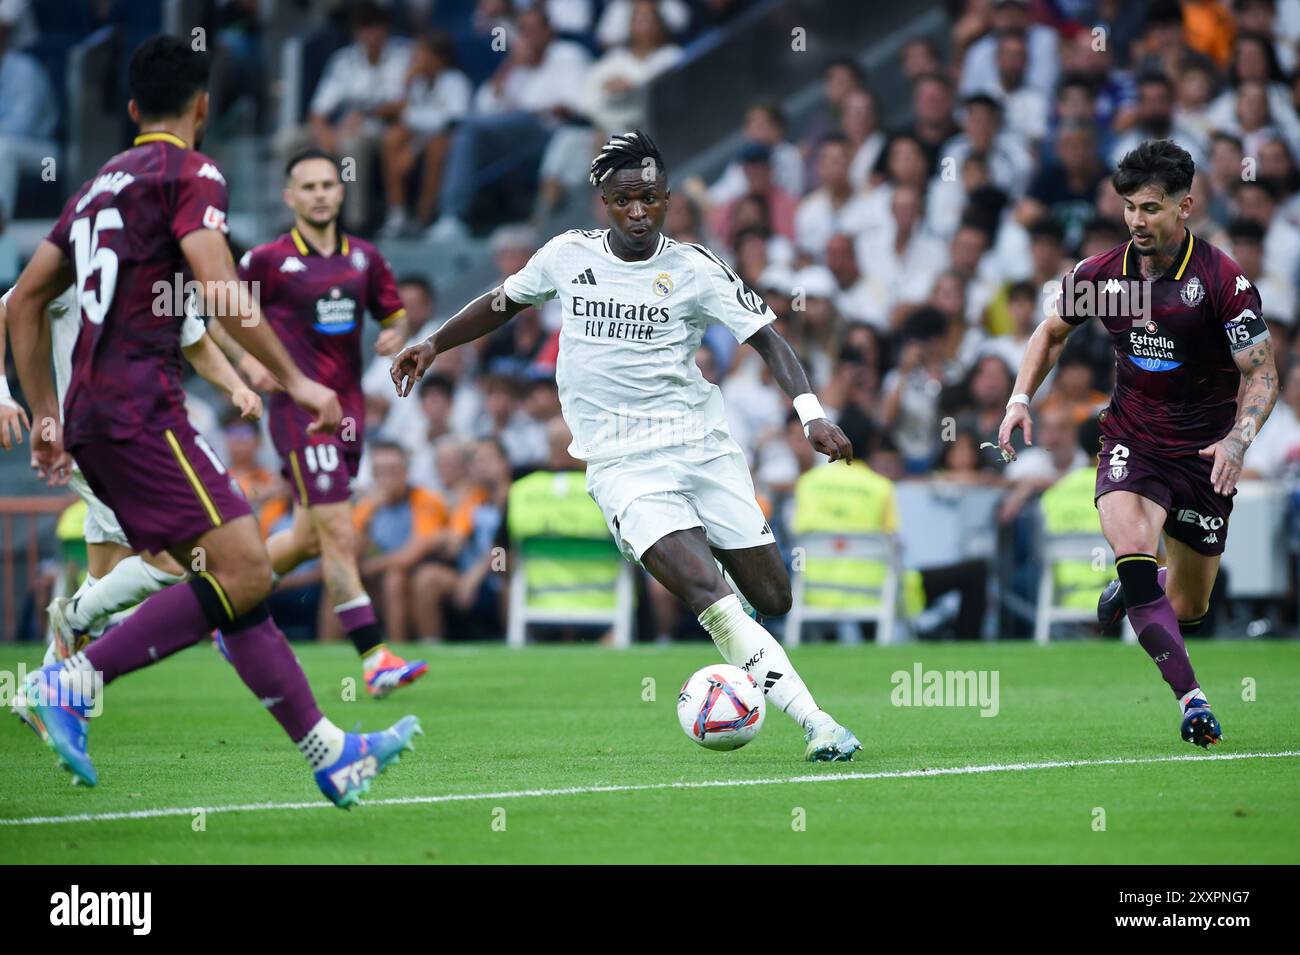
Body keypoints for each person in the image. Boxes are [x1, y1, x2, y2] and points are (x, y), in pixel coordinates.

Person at [5, 35, 419, 805]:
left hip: (97, 415)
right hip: (142, 406)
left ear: (133, 111)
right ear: (203, 107)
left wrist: (44, 412)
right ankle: (71, 679)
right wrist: (299, 380)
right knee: (245, 568)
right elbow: (222, 290)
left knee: (231, 576)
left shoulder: (95, 186)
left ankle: (330, 750)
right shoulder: (193, 172)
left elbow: (24, 299)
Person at [391, 130, 863, 762]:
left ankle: (742, 635)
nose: (637, 211)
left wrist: (810, 415)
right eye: (623, 200)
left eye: (649, 198)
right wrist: (433, 343)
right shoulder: (566, 256)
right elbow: (503, 302)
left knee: (773, 596)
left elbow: (769, 341)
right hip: (621, 463)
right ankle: (819, 724)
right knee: (711, 597)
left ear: (666, 198)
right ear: (602, 204)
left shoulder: (696, 268)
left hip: (700, 448)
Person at [998, 139, 1279, 748]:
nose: (1136, 221)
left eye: (1150, 207)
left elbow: (1262, 372)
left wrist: (1238, 439)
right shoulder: (1101, 274)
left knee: (1189, 608)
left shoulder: (1221, 280)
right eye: (1129, 207)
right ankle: (1192, 701)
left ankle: (1133, 585)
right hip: (1132, 440)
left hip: (1206, 456)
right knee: (1132, 545)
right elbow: (1049, 336)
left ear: (1186, 206)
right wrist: (1020, 399)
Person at [231, 147, 427, 698]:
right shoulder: (267, 260)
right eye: (307, 186)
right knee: (340, 530)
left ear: (340, 193)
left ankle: (218, 601)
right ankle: (374, 657)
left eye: (326, 185)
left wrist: (393, 333)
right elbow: (228, 315)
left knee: (306, 537)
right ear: (290, 197)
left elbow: (392, 313)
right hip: (301, 414)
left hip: (349, 415)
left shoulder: (364, 258)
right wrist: (249, 365)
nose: (319, 193)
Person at [1, 284, 262, 655]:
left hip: (139, 446)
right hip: (97, 445)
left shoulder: (167, 271)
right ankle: (73, 621)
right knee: (172, 561)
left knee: (106, 576)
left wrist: (237, 388)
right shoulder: (79, 258)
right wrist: (3, 395)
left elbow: (197, 343)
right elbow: (7, 308)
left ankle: (49, 687)